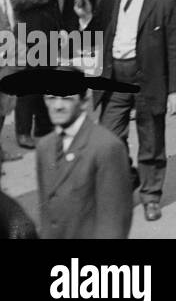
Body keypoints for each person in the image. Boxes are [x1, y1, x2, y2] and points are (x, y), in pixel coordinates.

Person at [84, 0, 176, 223]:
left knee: (151, 140)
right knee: (109, 139)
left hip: (148, 80)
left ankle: (151, 195)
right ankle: (129, 177)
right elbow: (93, 34)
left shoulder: (163, 2)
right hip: (114, 78)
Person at [6, 67, 135, 239]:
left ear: (83, 101)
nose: (57, 106)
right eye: (51, 98)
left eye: (66, 98)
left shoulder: (107, 147)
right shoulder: (45, 147)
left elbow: (114, 222)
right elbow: (48, 215)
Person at [8, 0, 64, 148]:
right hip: (28, 30)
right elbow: (15, 1)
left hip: (45, 26)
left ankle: (44, 125)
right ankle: (23, 132)